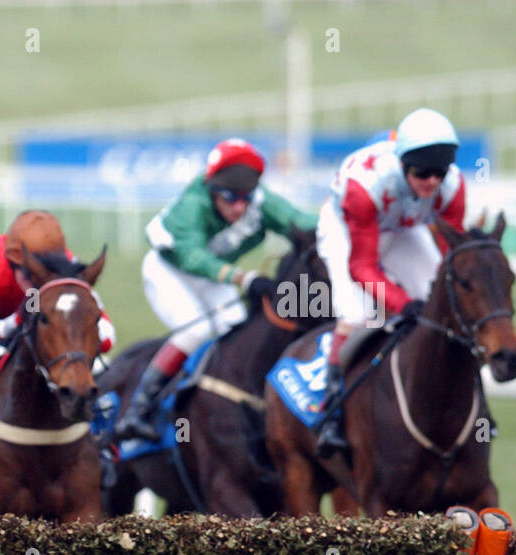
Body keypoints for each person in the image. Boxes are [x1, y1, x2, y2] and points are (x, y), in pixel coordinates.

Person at [115, 139, 318, 442]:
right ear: (212, 190)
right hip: (169, 272)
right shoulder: (192, 205)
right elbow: (194, 258)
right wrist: (245, 279)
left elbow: (300, 221)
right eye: (229, 198)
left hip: (213, 276)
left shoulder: (260, 201)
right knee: (195, 332)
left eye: (245, 198)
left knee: (237, 332)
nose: (239, 207)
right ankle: (139, 409)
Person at [312, 108, 465, 455]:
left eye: (439, 173)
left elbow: (452, 255)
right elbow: (362, 265)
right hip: (347, 232)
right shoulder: (363, 187)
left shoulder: (453, 186)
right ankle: (332, 411)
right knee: (361, 314)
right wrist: (401, 303)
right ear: (402, 165)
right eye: (422, 173)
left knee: (443, 302)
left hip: (400, 226)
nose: (432, 183)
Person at [0, 210, 114, 377]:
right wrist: (14, 323)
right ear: (12, 264)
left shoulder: (67, 268)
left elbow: (108, 338)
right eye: (31, 275)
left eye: (47, 274)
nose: (38, 285)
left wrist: (75, 329)